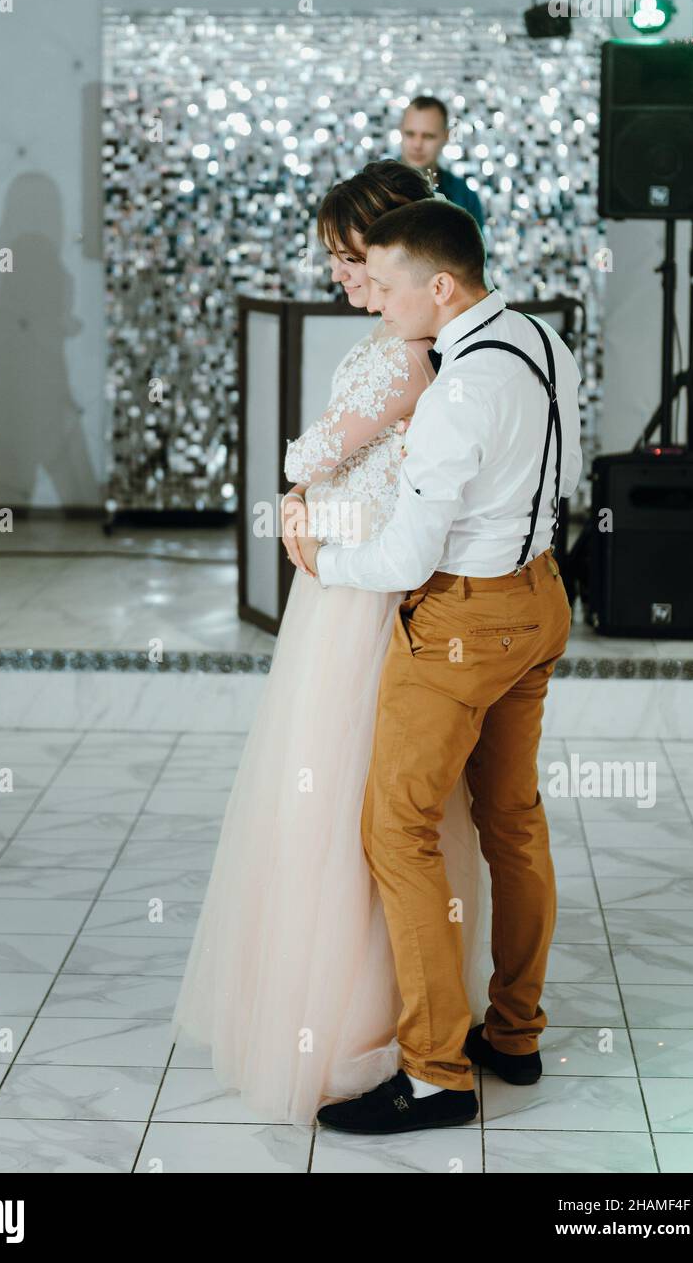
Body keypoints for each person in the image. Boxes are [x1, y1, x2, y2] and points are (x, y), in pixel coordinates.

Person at [170, 162, 492, 1126]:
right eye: (339, 263)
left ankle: (370, 1021)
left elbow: (302, 453)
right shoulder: (399, 339)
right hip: (345, 583)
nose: (345, 280)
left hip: (363, 596)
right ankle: (392, 1011)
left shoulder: (406, 355)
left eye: (352, 262)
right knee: (350, 801)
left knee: (359, 804)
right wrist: (312, 485)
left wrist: (305, 480)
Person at [295, 198, 583, 1133]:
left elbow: (407, 562)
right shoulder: (542, 341)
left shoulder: (455, 391)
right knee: (511, 819)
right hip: (540, 600)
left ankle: (433, 1076)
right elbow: (561, 473)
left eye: (384, 286)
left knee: (397, 829)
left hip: (464, 620)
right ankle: (515, 1031)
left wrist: (321, 560)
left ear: (440, 286)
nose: (375, 304)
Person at [400, 94, 485, 232]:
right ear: (401, 131)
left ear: (445, 137)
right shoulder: (372, 186)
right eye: (410, 134)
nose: (417, 144)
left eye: (428, 136)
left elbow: (478, 252)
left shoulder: (464, 196)